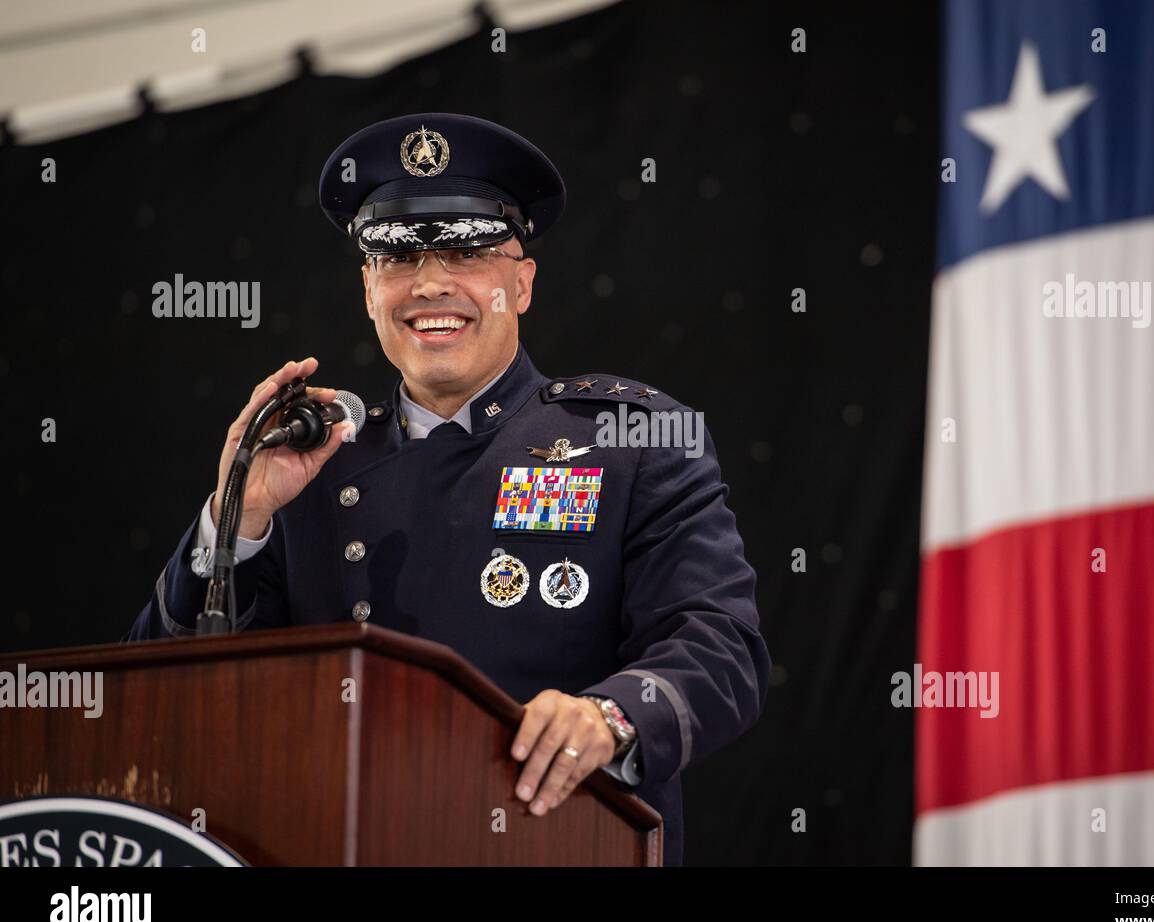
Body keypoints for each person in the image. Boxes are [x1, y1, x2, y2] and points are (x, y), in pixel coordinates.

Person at [125, 113, 769, 866]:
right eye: (396, 257)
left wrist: (611, 716)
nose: (430, 283)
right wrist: (241, 513)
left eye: (465, 250)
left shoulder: (634, 441)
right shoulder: (308, 463)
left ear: (521, 283)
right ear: (368, 289)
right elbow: (161, 697)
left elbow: (722, 649)